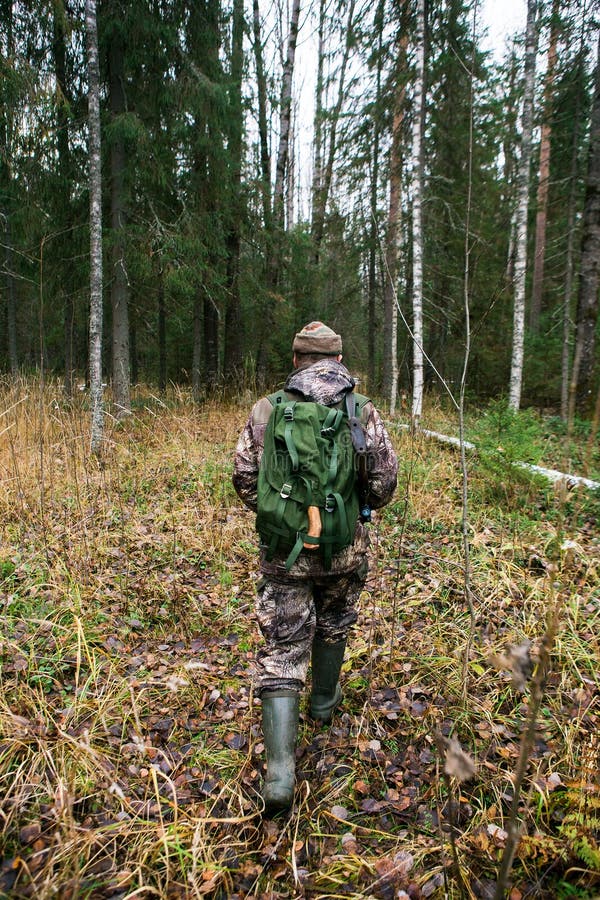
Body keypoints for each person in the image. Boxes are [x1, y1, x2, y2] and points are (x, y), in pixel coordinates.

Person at [232, 321, 398, 813]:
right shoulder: (361, 409)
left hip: (284, 553)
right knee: (335, 622)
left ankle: (280, 775)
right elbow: (384, 484)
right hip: (344, 550)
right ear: (339, 360)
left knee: (283, 649)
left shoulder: (266, 409)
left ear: (296, 360)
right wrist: (350, 512)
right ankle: (323, 704)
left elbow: (244, 478)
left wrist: (283, 518)